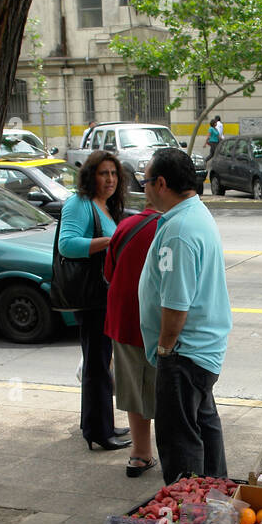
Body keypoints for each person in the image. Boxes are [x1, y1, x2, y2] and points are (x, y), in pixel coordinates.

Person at [138, 148, 231, 484]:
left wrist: (164, 350)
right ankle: (216, 499)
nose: (143, 188)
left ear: (161, 183)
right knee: (204, 426)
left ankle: (186, 516)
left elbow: (176, 302)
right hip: (201, 351)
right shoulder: (195, 215)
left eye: (146, 181)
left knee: (180, 441)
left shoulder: (179, 231)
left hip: (184, 353)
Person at [60, 151, 131, 452]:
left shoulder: (106, 205)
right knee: (98, 364)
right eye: (104, 174)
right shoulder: (79, 204)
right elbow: (68, 244)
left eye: (114, 174)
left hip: (106, 296)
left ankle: (97, 423)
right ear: (91, 175)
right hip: (92, 298)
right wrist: (110, 242)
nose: (110, 180)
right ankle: (99, 432)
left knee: (100, 362)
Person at [104, 203, 162, 477]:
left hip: (125, 319)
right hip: (162, 323)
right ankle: (175, 455)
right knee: (165, 391)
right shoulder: (174, 228)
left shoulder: (125, 227)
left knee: (134, 390)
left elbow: (109, 273)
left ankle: (140, 455)